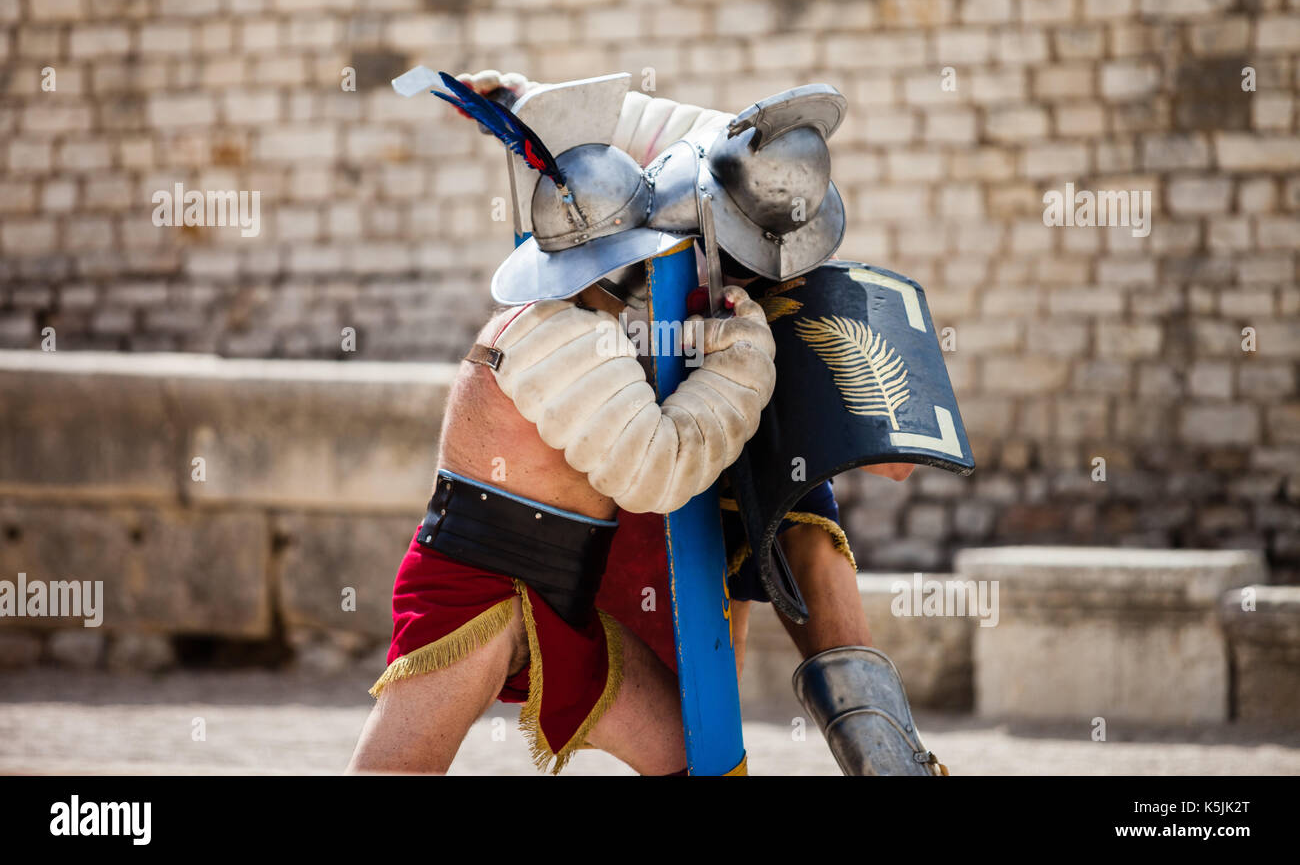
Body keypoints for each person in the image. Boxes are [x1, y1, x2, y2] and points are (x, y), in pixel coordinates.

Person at [450, 70, 950, 776]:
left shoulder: (788, 207)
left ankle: (885, 760)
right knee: (701, 632)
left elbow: (889, 450)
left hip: (745, 410)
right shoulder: (681, 146)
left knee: (801, 525)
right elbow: (587, 128)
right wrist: (525, 103)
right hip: (654, 418)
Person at [347, 72, 778, 775]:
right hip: (477, 595)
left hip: (560, 602)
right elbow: (657, 471)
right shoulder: (559, 337)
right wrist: (744, 356)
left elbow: (723, 133)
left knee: (693, 754)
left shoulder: (577, 323)